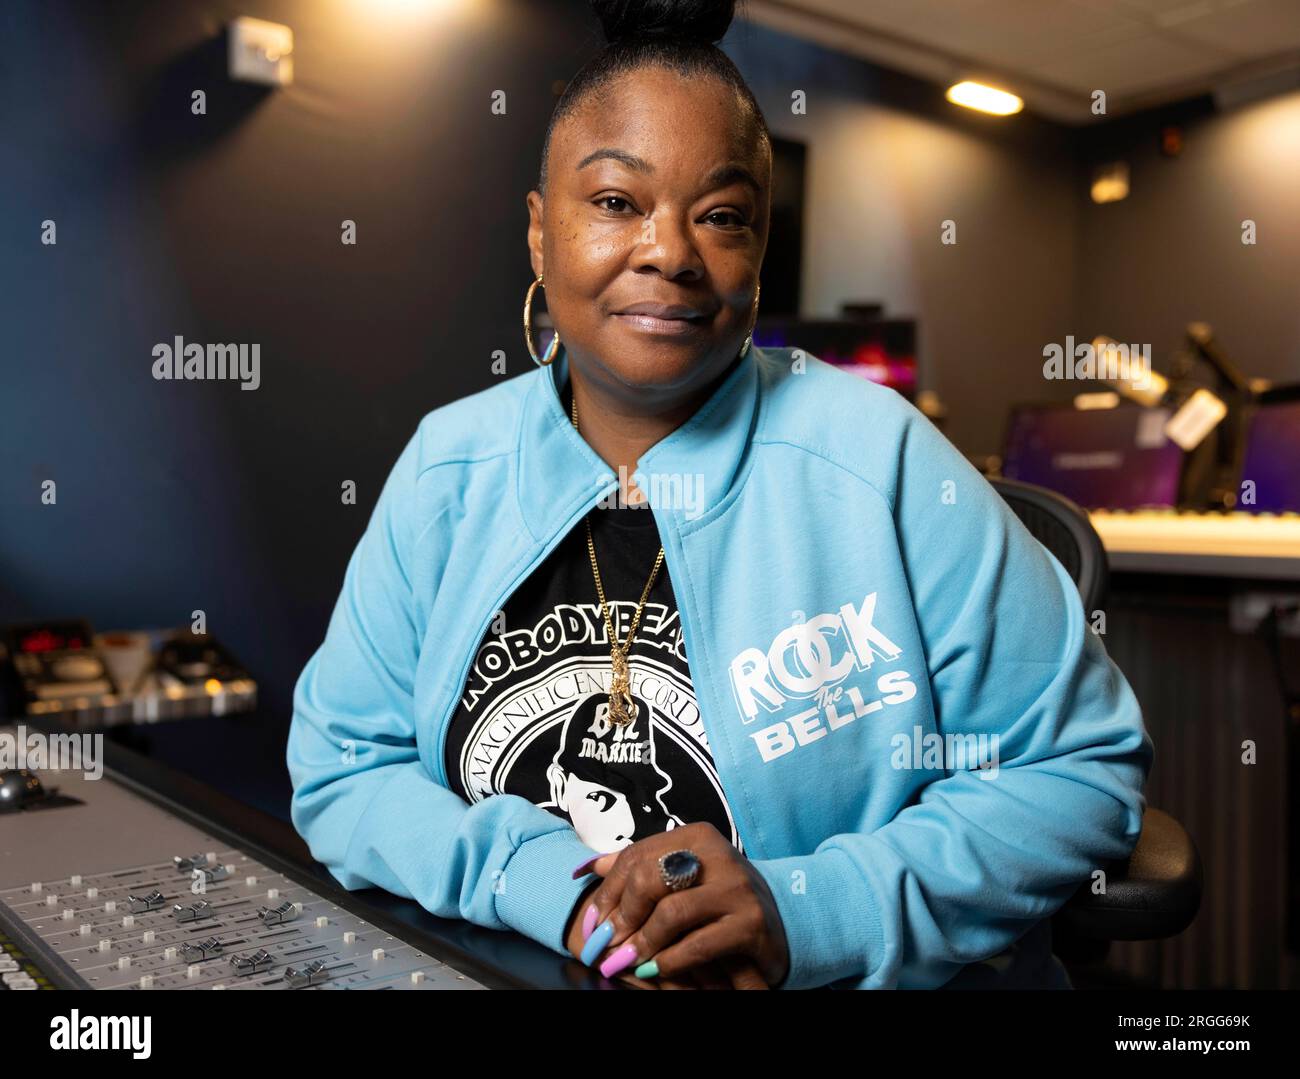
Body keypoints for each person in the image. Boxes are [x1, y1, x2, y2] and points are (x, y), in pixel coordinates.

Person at [287, 0, 1153, 990]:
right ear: (539, 233)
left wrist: (809, 908)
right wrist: (556, 889)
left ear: (758, 248)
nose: (670, 251)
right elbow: (346, 766)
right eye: (615, 202)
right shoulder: (449, 467)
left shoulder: (881, 458)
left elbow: (1077, 770)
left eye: (721, 215)